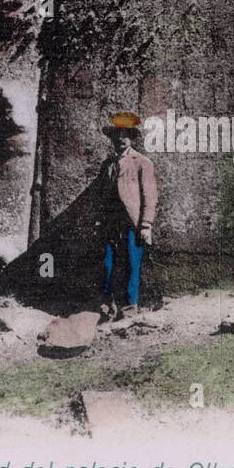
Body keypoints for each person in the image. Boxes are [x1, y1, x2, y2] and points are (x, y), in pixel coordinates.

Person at [95, 112, 158, 320]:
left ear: (131, 138)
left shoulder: (142, 162)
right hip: (110, 223)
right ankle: (107, 307)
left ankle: (130, 308)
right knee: (107, 264)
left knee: (132, 263)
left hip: (132, 223)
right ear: (111, 138)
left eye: (125, 134)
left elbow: (150, 195)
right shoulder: (108, 165)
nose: (121, 139)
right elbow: (102, 195)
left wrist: (146, 224)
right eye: (117, 134)